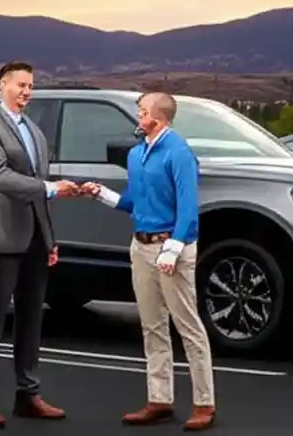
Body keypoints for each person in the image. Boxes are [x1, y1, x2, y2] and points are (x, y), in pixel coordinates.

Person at [80, 92, 216, 431]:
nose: (138, 117)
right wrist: (104, 195)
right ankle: (159, 399)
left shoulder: (179, 153)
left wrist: (172, 248)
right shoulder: (137, 155)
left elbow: (187, 207)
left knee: (188, 326)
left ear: (159, 117)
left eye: (142, 112)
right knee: (152, 324)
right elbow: (136, 203)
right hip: (140, 246)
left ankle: (204, 403)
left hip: (173, 246)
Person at [0, 61, 76, 427]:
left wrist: (49, 238)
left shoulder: (35, 131)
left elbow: (39, 193)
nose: (27, 91)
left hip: (33, 240)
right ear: (3, 84)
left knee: (31, 320)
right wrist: (51, 188)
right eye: (21, 85)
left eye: (31, 86)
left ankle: (28, 394)